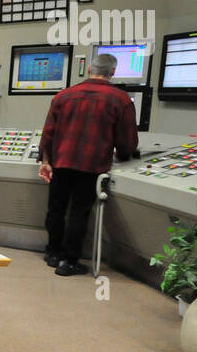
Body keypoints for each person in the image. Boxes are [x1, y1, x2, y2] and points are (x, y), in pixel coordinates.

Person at [37, 53, 138, 276]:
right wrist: (126, 155)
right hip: (91, 165)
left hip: (61, 162)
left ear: (90, 70)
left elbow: (48, 134)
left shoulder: (63, 96)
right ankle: (69, 261)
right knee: (79, 212)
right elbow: (127, 141)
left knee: (56, 209)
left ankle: (52, 253)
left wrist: (45, 161)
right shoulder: (121, 100)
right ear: (112, 73)